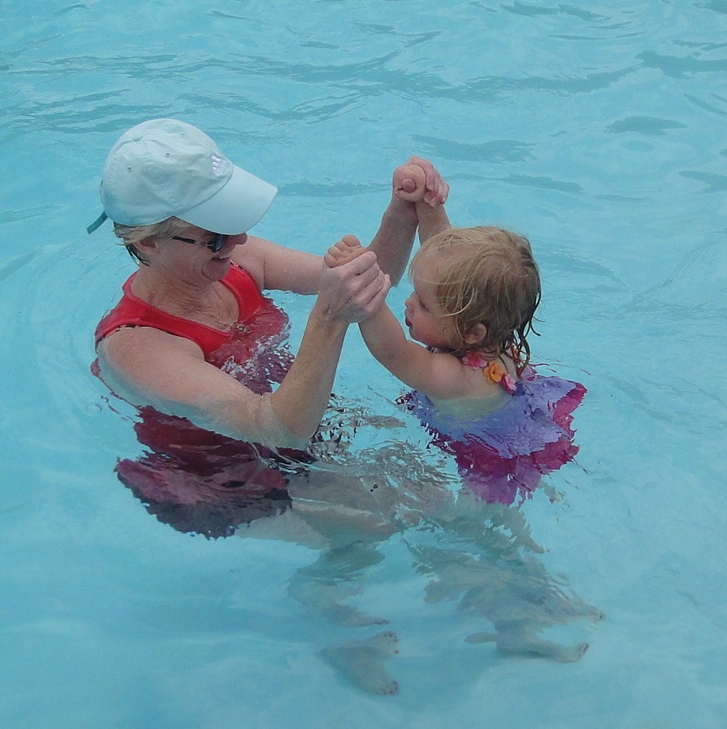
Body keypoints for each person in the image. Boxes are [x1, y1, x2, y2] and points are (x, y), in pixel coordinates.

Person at [88, 118, 449, 537]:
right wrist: (328, 317)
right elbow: (279, 429)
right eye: (216, 233)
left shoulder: (235, 263)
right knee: (374, 530)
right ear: (148, 241)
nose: (238, 239)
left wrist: (402, 212)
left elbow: (367, 280)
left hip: (293, 433)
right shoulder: (137, 346)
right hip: (216, 484)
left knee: (434, 498)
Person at [326, 163, 586, 504]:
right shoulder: (492, 333)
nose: (408, 303)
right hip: (512, 412)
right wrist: (427, 201)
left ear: (471, 332)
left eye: (423, 304)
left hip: (486, 453)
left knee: (467, 517)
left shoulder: (454, 377)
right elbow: (444, 259)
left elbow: (393, 351)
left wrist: (363, 285)